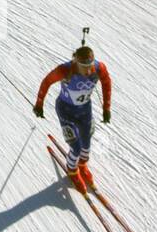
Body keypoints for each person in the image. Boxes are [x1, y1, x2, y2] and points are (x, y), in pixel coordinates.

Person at [34, 45, 112, 192]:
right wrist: (39, 104)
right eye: (84, 66)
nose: (88, 70)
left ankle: (82, 165)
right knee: (75, 148)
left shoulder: (99, 68)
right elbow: (46, 82)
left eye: (90, 65)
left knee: (87, 144)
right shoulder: (65, 70)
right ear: (76, 62)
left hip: (84, 111)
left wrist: (106, 108)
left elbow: (107, 83)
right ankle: (72, 170)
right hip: (66, 111)